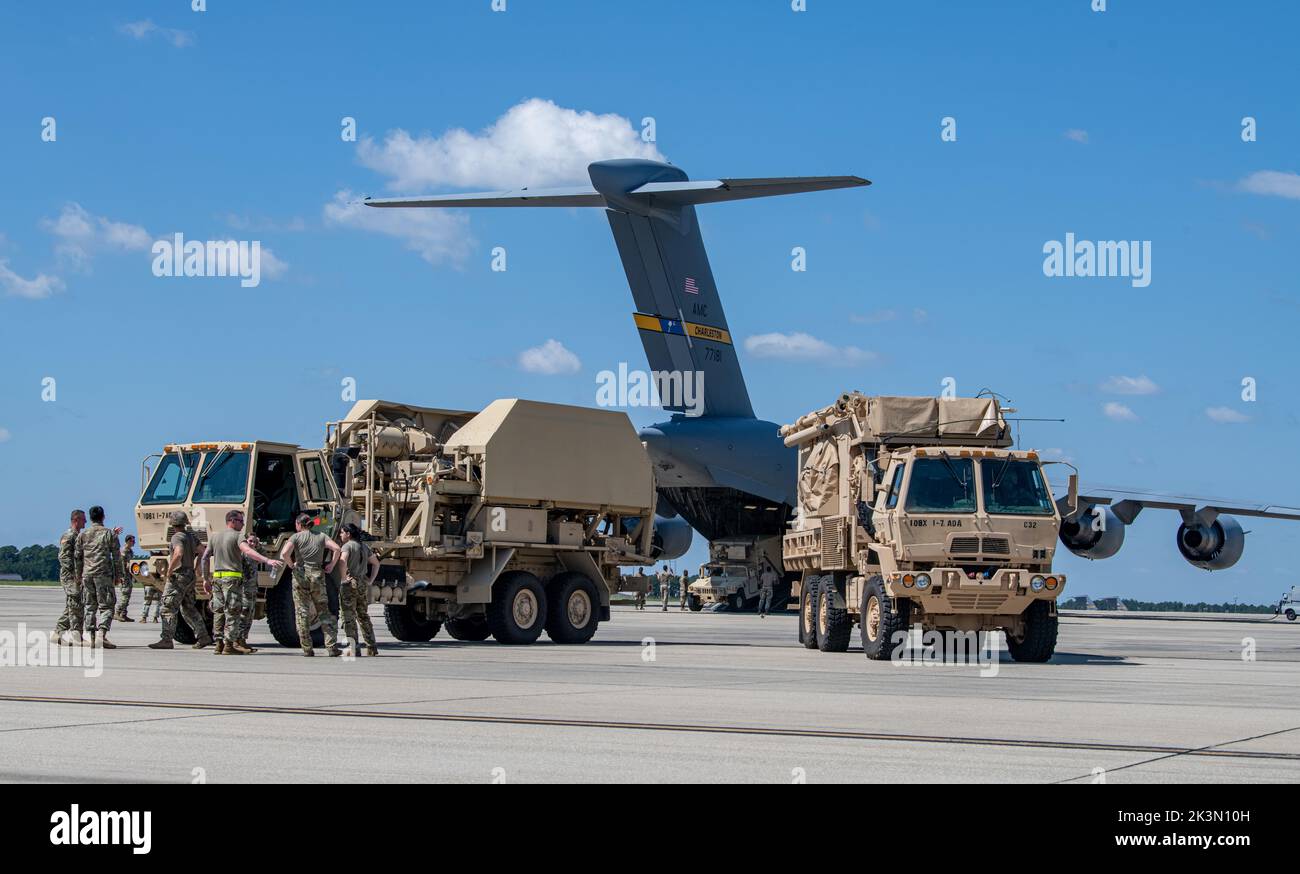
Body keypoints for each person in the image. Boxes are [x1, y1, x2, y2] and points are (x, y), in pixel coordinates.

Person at [201, 509, 281, 655]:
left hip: (217, 578)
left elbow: (205, 557)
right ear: (232, 521)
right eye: (240, 521)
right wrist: (267, 560)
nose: (243, 524)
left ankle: (218, 644)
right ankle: (229, 645)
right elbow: (248, 551)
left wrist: (205, 578)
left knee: (218, 611)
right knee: (233, 611)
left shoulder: (215, 536)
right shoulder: (238, 536)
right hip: (231, 579)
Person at [279, 514, 342, 657]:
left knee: (302, 612)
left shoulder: (295, 537)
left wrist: (292, 565)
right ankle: (331, 647)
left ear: (298, 524)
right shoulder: (321, 536)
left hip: (300, 576)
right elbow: (337, 548)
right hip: (317, 575)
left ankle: (307, 648)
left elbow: (284, 553)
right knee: (324, 612)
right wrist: (332, 565)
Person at [149, 511, 213, 650]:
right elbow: (203, 551)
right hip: (190, 575)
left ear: (173, 523)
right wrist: (196, 566)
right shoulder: (191, 537)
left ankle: (166, 640)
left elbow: (178, 553)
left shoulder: (177, 537)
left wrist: (170, 570)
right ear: (185, 523)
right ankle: (203, 636)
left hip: (178, 576)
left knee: (168, 607)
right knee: (188, 608)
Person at [75, 505, 123, 649]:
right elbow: (117, 557)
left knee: (90, 606)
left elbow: (77, 557)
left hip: (87, 575)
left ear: (90, 518)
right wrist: (118, 575)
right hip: (103, 575)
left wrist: (78, 575)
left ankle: (91, 637)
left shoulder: (82, 535)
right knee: (107, 606)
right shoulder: (109, 534)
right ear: (103, 517)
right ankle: (101, 634)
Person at [338, 523, 380, 657]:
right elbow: (376, 563)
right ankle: (372, 647)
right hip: (362, 583)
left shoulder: (347, 546)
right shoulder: (364, 547)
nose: (340, 535)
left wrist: (343, 578)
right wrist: (370, 580)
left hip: (350, 584)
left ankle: (354, 648)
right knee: (363, 616)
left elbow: (342, 561)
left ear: (348, 534)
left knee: (348, 617)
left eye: (342, 532)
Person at [53, 509, 86, 646]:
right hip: (70, 576)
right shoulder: (69, 535)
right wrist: (75, 574)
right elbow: (64, 557)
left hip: (76, 576)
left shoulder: (78, 535)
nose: (85, 521)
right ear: (76, 520)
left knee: (72, 605)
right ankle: (76, 636)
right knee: (76, 605)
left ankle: (58, 633)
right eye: (83, 519)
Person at [114, 535, 137, 622]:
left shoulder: (130, 551)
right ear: (128, 541)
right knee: (125, 596)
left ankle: (123, 614)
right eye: (132, 541)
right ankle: (117, 612)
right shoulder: (123, 551)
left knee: (128, 595)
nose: (134, 543)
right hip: (124, 576)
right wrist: (121, 577)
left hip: (129, 575)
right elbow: (120, 565)